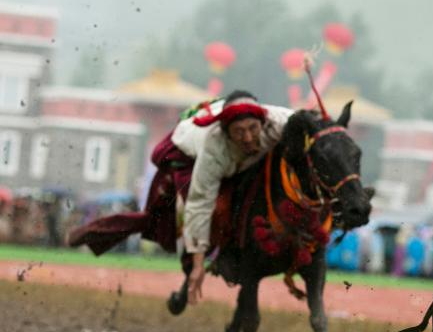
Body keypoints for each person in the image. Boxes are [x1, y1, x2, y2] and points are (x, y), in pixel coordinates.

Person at [69, 91, 294, 304]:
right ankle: (91, 232)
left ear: (263, 123)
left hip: (238, 164)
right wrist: (198, 265)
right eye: (239, 132)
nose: (247, 138)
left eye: (253, 128)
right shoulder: (213, 146)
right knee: (167, 218)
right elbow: (199, 206)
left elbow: (312, 130)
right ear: (226, 132)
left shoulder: (281, 122)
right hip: (186, 159)